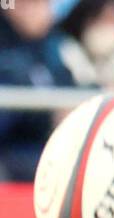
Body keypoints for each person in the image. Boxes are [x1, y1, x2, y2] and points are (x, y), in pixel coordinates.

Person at [0, 0, 75, 182]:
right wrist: (49, 116)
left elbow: (67, 83)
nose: (48, 12)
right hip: (15, 156)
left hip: (49, 148)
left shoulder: (50, 44)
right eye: (39, 4)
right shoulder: (6, 49)